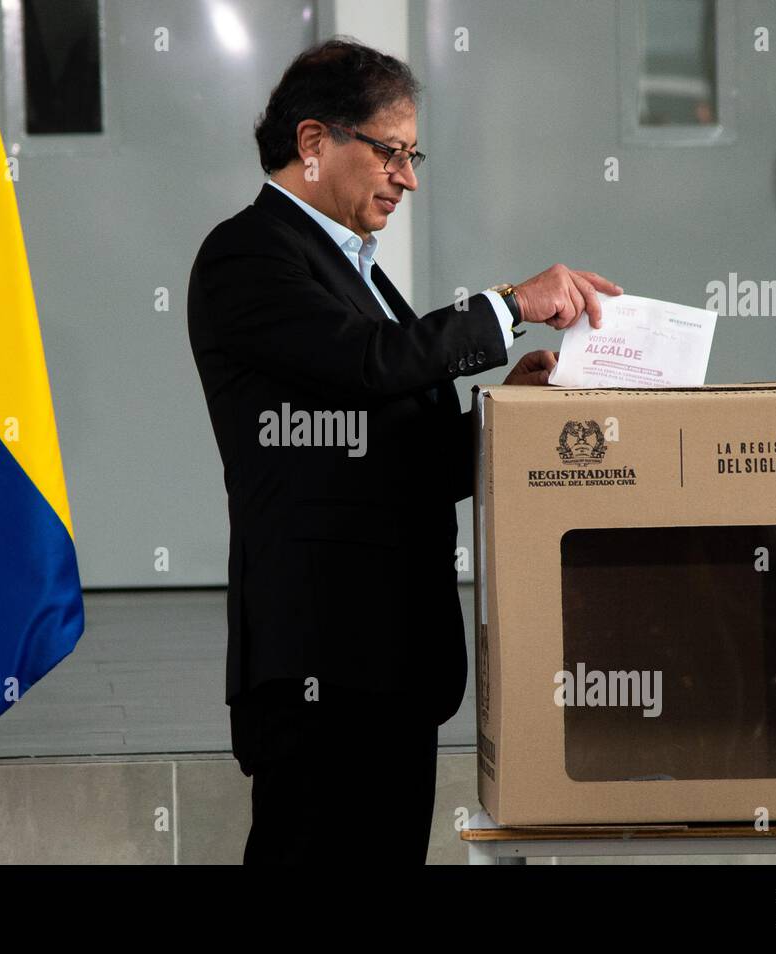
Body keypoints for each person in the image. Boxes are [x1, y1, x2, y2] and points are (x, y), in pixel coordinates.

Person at [186, 37, 622, 864]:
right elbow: (367, 365)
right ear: (314, 144)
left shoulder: (356, 272)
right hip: (321, 659)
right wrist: (511, 305)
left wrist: (505, 414)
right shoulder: (248, 255)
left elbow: (399, 458)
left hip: (388, 660)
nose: (409, 178)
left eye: (412, 155)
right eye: (391, 152)